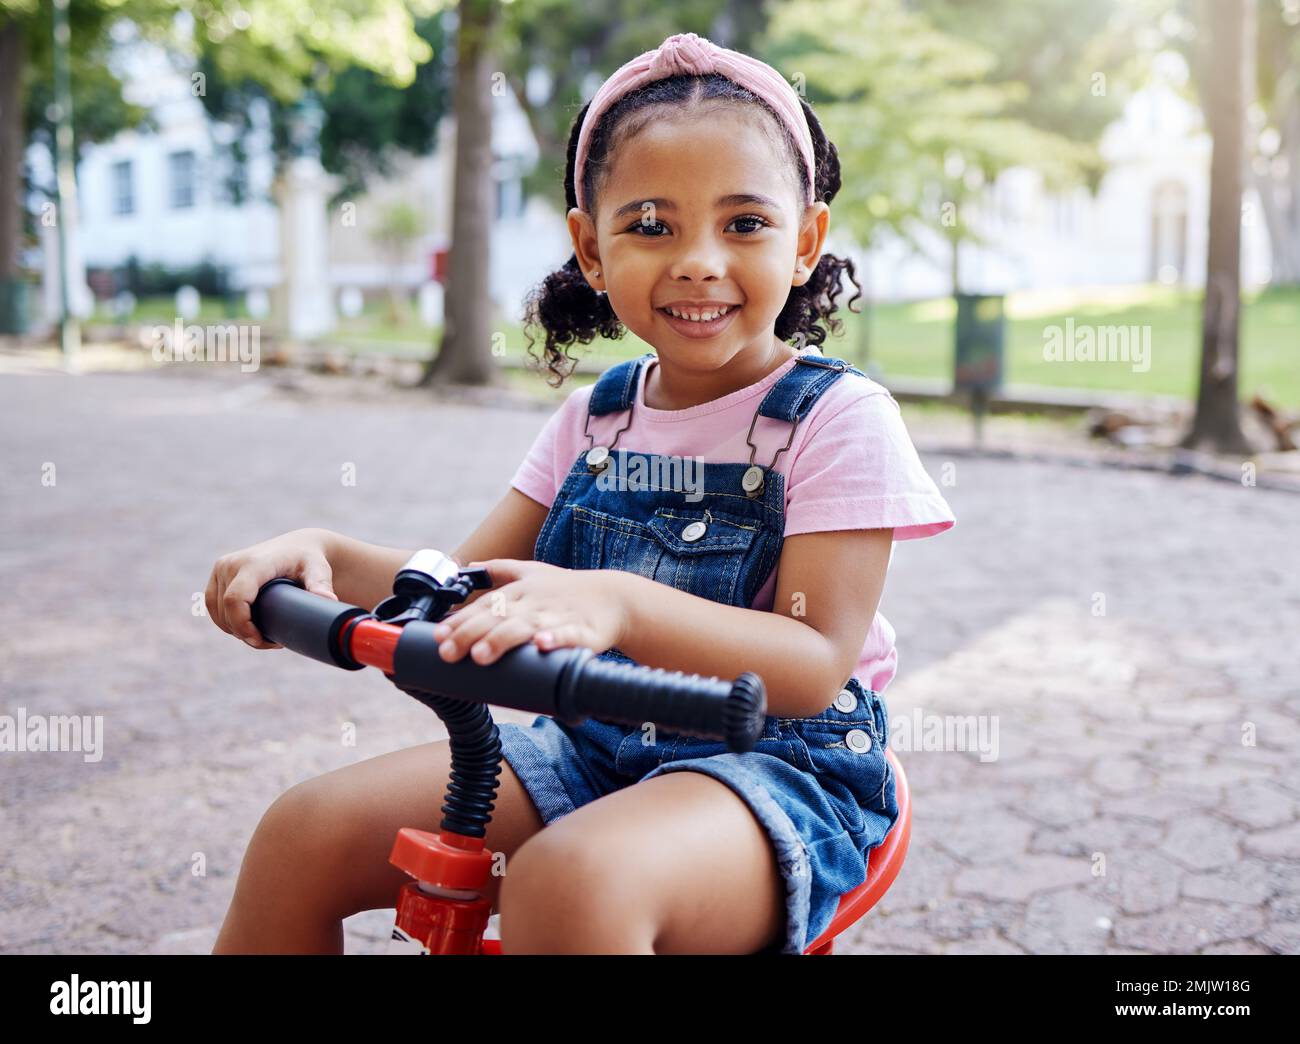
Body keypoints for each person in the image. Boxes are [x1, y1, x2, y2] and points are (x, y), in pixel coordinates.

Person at [206, 31, 954, 955]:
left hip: (783, 768)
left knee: (573, 881)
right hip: (592, 749)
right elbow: (467, 586)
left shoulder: (836, 420)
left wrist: (613, 602)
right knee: (303, 833)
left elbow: (810, 664)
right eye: (650, 225)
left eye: (745, 224)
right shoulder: (593, 422)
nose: (698, 261)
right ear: (590, 252)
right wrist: (327, 554)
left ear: (805, 241)